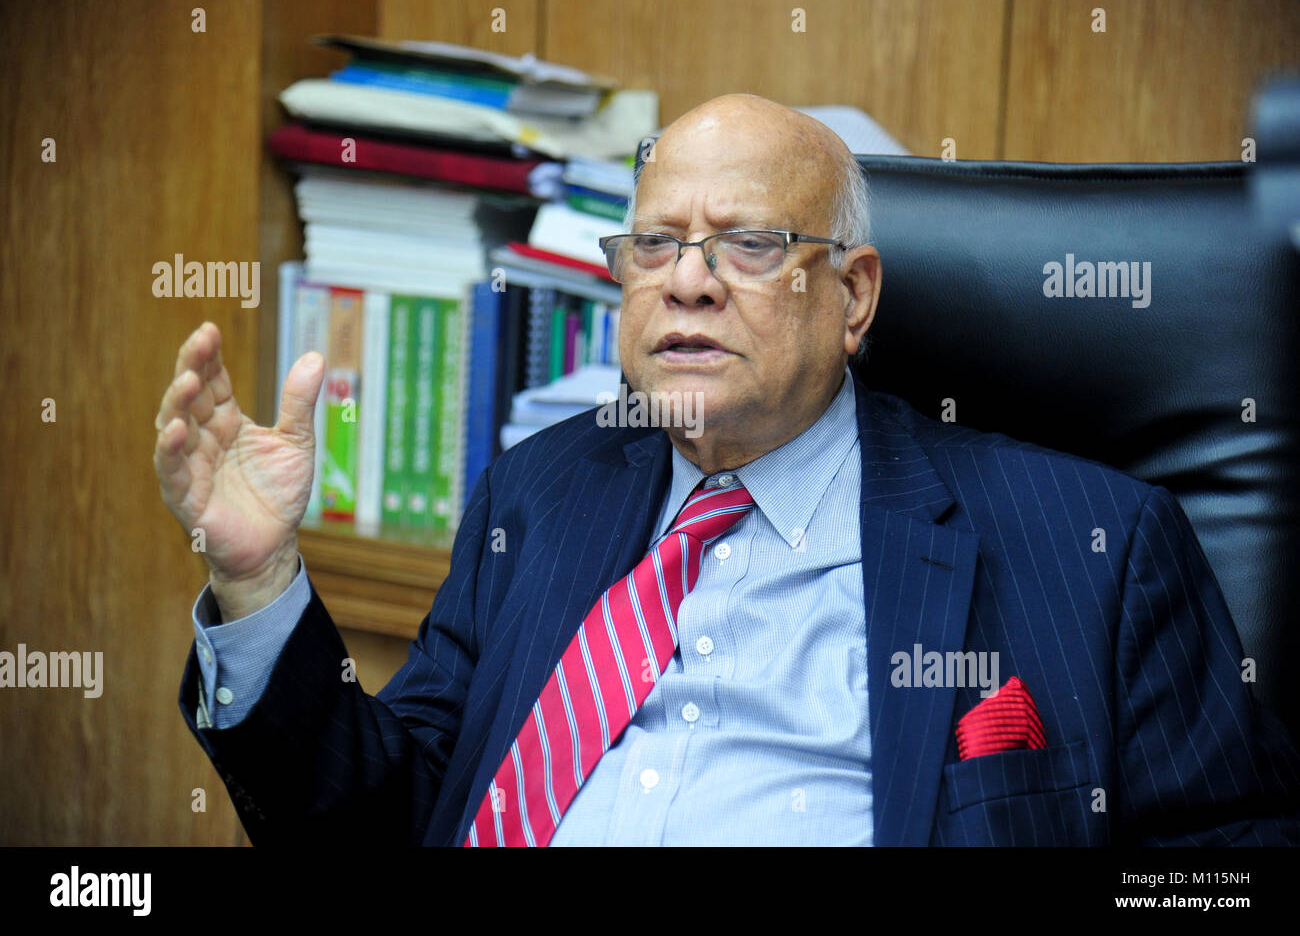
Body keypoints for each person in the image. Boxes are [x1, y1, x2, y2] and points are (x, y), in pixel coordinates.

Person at [155, 93, 1300, 845]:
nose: (687, 280)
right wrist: (258, 580)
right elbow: (388, 814)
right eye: (654, 242)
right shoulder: (538, 492)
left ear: (852, 294)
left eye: (748, 244)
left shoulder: (1094, 542)